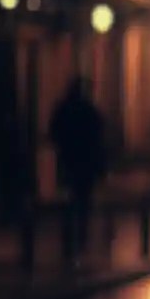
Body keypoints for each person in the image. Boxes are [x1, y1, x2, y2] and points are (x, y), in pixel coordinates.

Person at [48, 78, 107, 254]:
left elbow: (54, 132)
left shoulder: (64, 109)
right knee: (83, 201)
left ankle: (69, 238)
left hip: (69, 160)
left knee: (69, 200)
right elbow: (98, 137)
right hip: (84, 162)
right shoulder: (89, 111)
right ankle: (80, 237)